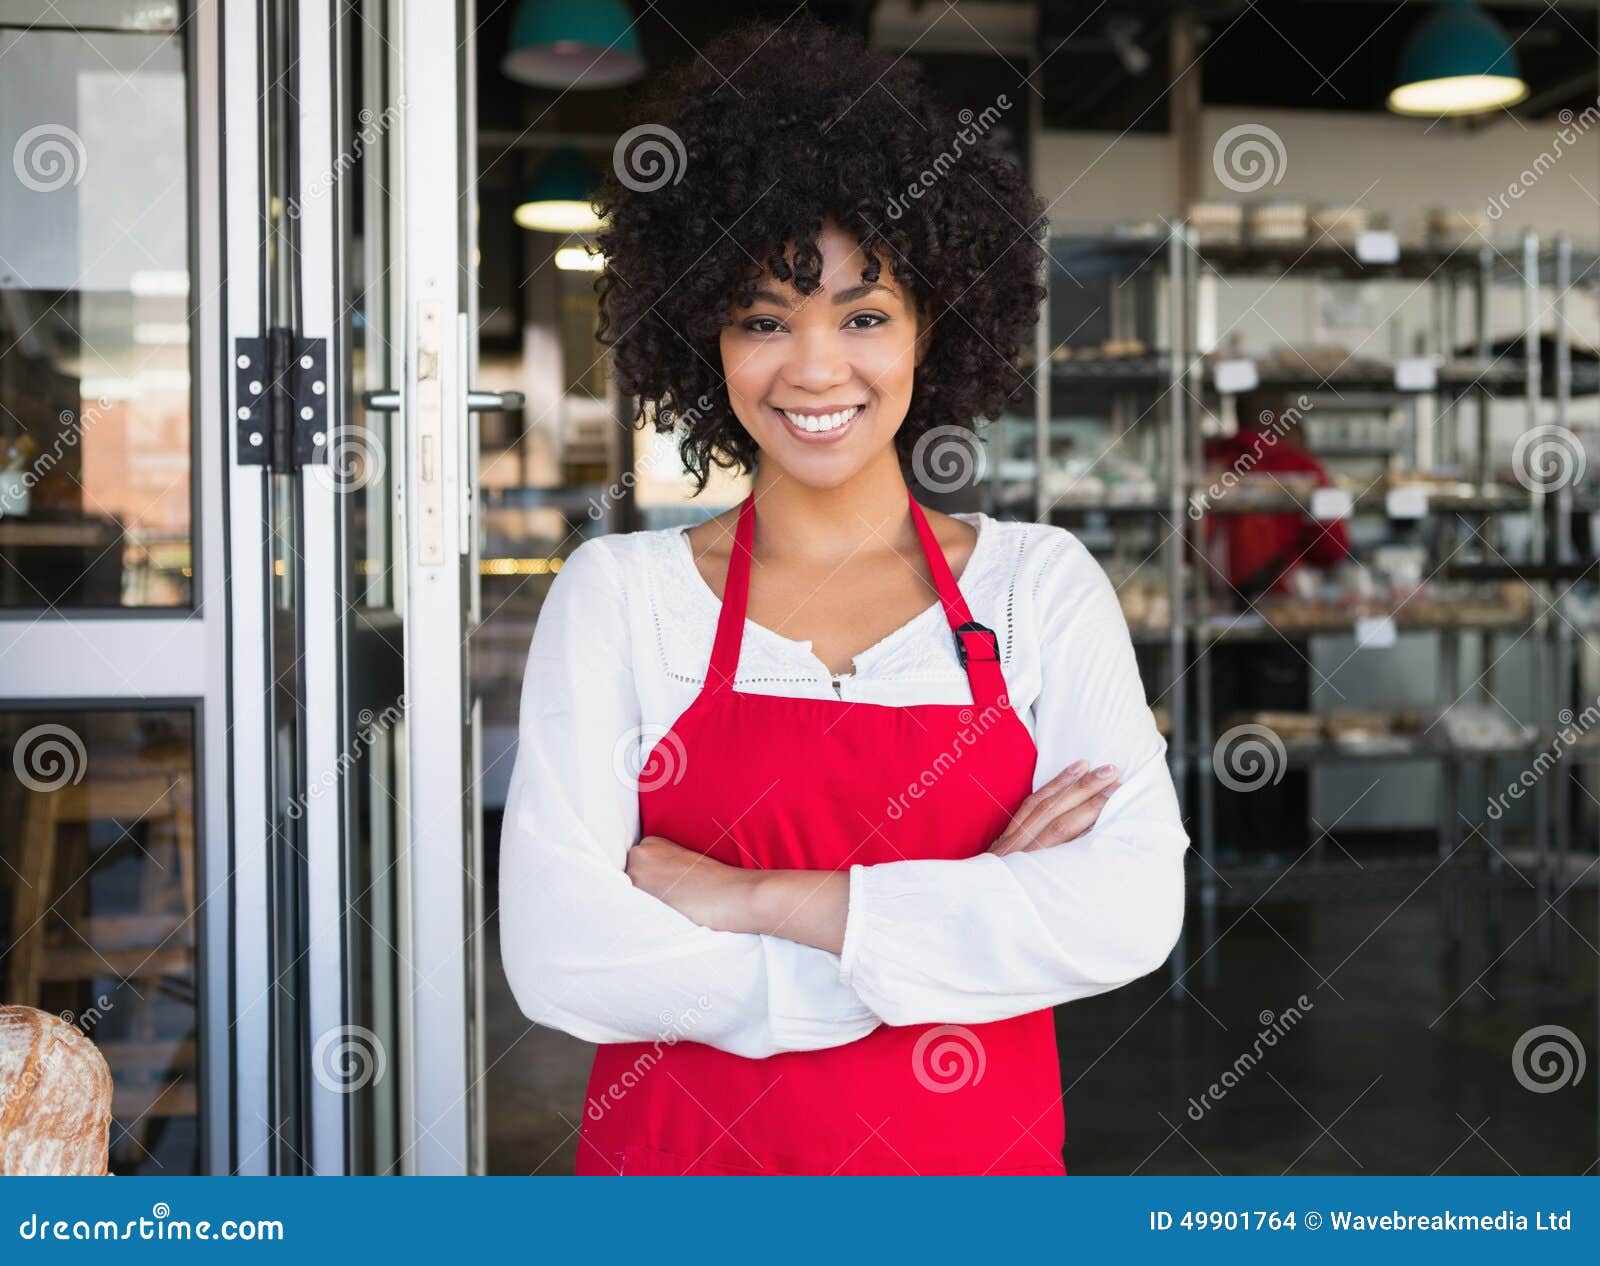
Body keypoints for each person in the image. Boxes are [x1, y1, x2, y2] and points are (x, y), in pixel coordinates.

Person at [496, 16, 1190, 1177]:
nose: (815, 368)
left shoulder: (1039, 590)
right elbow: (562, 956)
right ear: (702, 338)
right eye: (764, 319)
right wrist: (962, 920)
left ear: (934, 326)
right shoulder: (617, 598)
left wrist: (758, 899)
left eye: (864, 315)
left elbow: (1125, 910)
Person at [1200, 390, 1353, 856]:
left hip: (1211, 616)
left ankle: (1219, 839)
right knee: (1274, 732)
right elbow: (1333, 547)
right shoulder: (1302, 468)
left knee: (1219, 729)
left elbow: (1185, 542)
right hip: (1280, 617)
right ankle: (1267, 843)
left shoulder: (1208, 461)